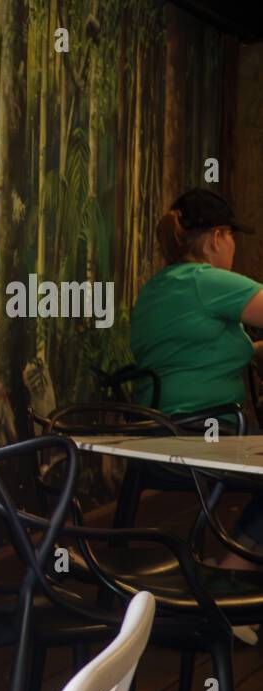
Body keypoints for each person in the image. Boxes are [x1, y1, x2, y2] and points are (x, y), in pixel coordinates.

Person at [130, 188, 263, 570]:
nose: (233, 246)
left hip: (154, 432)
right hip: (203, 432)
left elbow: (187, 356)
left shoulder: (156, 289)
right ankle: (233, 575)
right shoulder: (206, 281)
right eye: (232, 236)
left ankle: (236, 565)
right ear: (217, 238)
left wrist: (253, 349)